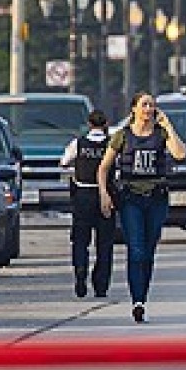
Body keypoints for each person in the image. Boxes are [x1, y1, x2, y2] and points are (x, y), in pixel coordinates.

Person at [98, 92, 186, 323]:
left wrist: (167, 124)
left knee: (148, 251)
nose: (149, 109)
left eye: (152, 105)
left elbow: (180, 154)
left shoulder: (161, 134)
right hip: (130, 199)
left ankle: (143, 297)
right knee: (136, 250)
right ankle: (137, 300)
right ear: (134, 109)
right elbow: (103, 167)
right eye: (144, 105)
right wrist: (104, 194)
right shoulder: (122, 136)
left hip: (156, 199)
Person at [59, 109, 116, 298]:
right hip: (105, 195)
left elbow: (64, 162)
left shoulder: (79, 143)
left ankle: (80, 270)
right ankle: (101, 284)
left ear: (89, 124)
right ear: (106, 123)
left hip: (82, 195)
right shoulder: (111, 144)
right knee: (105, 243)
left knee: (80, 240)